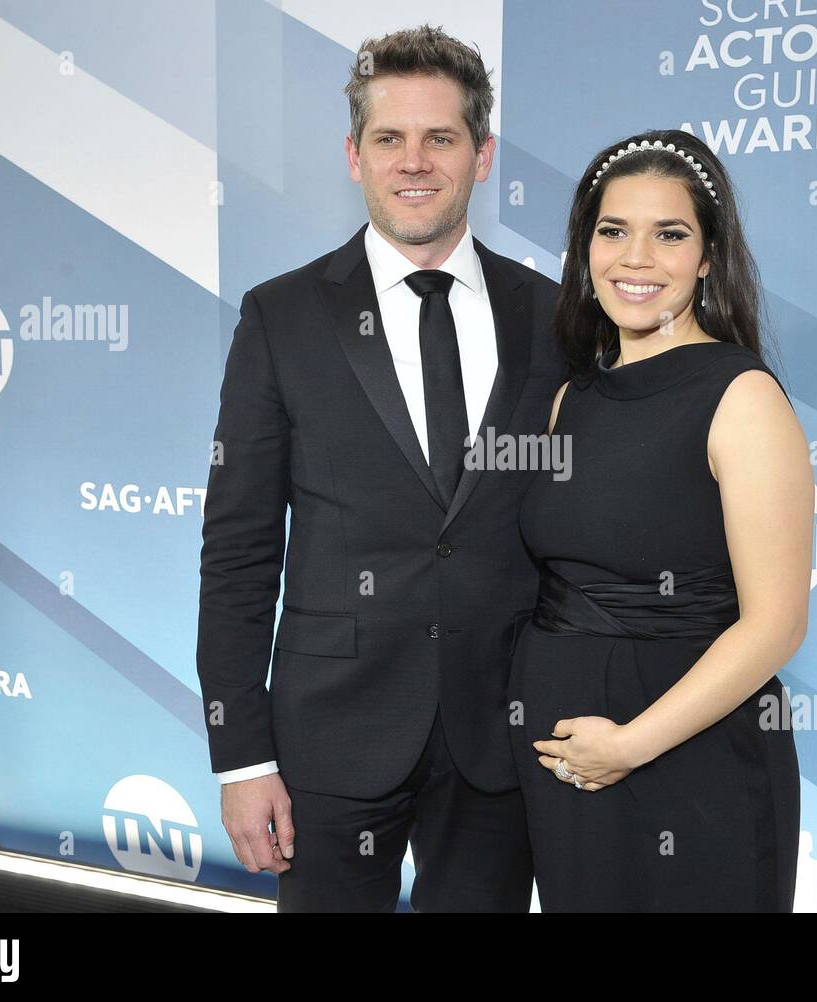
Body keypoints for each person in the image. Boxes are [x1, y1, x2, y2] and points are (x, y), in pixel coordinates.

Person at [196, 24, 565, 912]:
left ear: (482, 155)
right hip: (330, 735)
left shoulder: (552, 317)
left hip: (500, 737)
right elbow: (240, 550)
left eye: (441, 138)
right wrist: (243, 758)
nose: (415, 162)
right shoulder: (281, 317)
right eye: (390, 139)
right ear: (353, 154)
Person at [507, 128, 814, 911]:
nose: (636, 258)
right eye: (613, 231)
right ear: (585, 250)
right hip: (567, 768)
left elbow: (776, 624)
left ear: (708, 257)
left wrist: (629, 746)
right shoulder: (569, 396)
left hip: (693, 761)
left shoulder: (741, 396)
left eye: (669, 234)